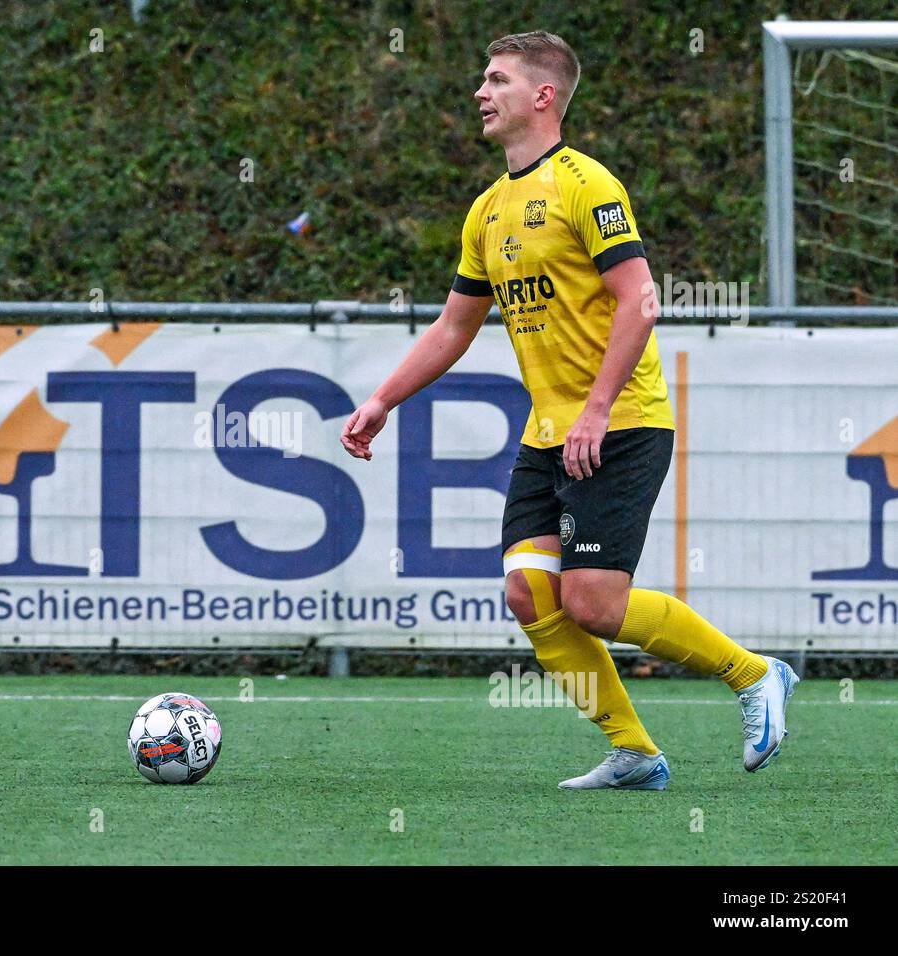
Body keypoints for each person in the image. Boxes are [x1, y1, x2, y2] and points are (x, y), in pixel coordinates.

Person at [340, 30, 798, 790]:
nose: (480, 94)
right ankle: (634, 753)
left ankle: (753, 674)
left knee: (592, 603)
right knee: (528, 592)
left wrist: (594, 410)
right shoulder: (487, 210)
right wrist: (383, 399)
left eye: (496, 80)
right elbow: (456, 325)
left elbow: (639, 302)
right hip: (548, 434)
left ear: (542, 95)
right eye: (483, 81)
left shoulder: (589, 185)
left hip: (621, 424)